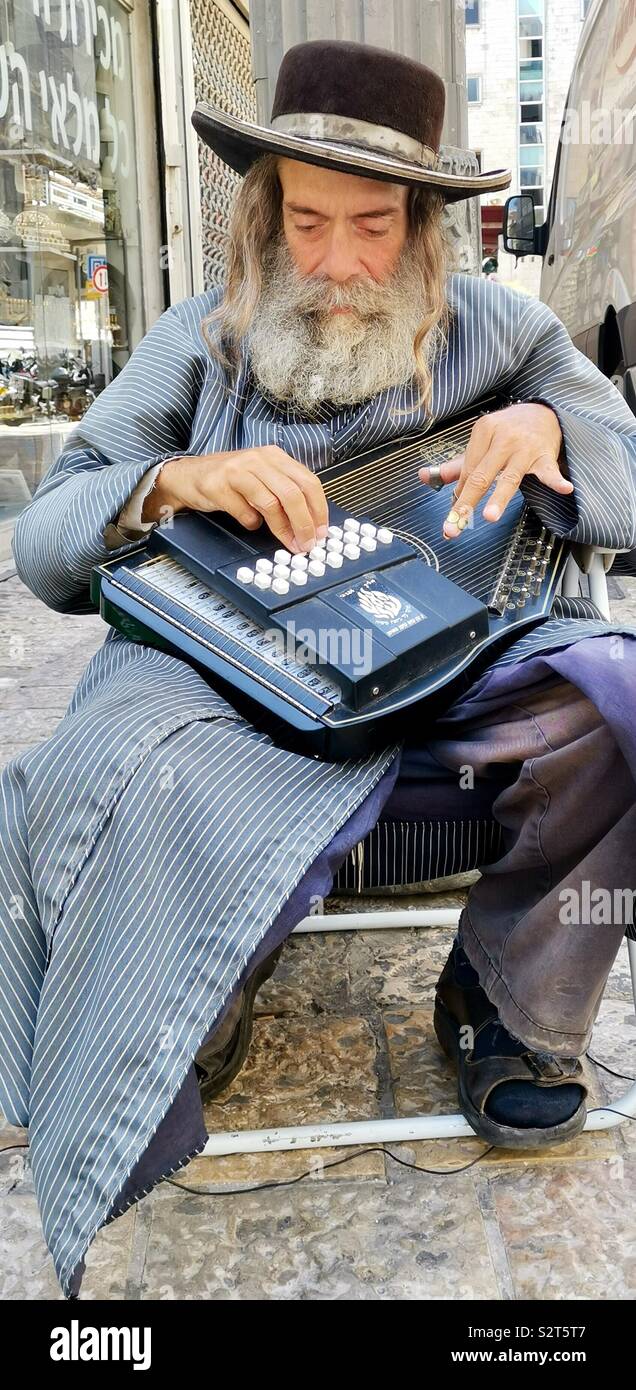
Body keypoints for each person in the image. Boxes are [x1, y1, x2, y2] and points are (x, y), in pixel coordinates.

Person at [2, 38, 636, 1300]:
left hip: (449, 656)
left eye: (373, 226)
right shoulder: (199, 339)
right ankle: (199, 978)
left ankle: (512, 995)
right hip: (235, 672)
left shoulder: (505, 328)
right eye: (306, 222)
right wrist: (168, 480)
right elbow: (45, 531)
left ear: (423, 230)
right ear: (262, 214)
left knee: (618, 704)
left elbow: (624, 460)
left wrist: (553, 420)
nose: (340, 265)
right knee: (115, 758)